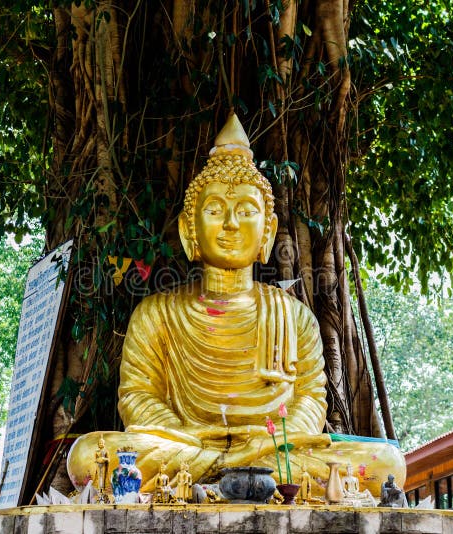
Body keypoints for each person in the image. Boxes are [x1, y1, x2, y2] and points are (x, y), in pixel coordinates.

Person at [66, 113, 405, 497]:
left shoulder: (295, 317)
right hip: (185, 447)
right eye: (214, 210)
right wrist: (194, 441)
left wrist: (263, 445)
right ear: (188, 229)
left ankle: (235, 472)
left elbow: (312, 399)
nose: (230, 223)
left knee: (388, 464)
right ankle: (239, 474)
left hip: (270, 450)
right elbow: (137, 398)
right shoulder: (158, 314)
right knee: (86, 457)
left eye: (246, 211)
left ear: (268, 230)